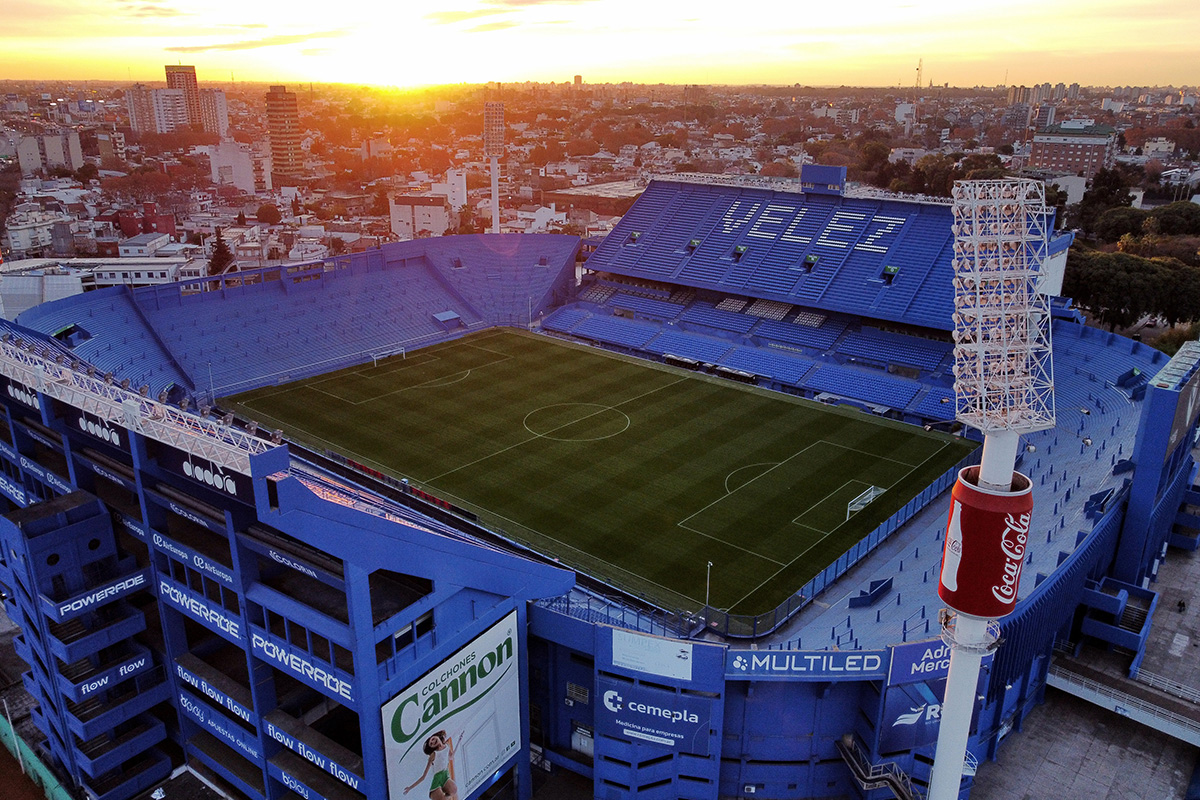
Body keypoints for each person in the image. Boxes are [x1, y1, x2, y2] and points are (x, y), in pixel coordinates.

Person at [404, 730, 458, 800]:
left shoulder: (446, 745)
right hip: (437, 778)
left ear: (434, 736)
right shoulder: (434, 755)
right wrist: (410, 788)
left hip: (445, 774)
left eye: (432, 740)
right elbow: (423, 777)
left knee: (454, 789)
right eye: (431, 744)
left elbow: (451, 757)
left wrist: (459, 740)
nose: (433, 742)